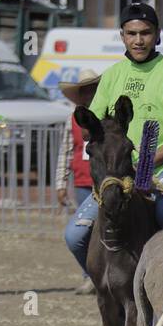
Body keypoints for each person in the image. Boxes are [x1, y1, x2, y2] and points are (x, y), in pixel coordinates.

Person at [86, 2, 163, 229]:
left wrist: (144, 165)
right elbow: (90, 128)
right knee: (75, 236)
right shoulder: (111, 75)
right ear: (122, 37)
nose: (138, 40)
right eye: (131, 34)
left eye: (145, 33)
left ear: (157, 34)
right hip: (116, 173)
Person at [56, 69, 100, 293]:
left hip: (102, 181)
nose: (89, 94)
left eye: (92, 89)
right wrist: (60, 183)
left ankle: (100, 274)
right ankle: (90, 275)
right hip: (82, 182)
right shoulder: (70, 119)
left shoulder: (105, 115)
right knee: (83, 231)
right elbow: (65, 151)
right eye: (85, 91)